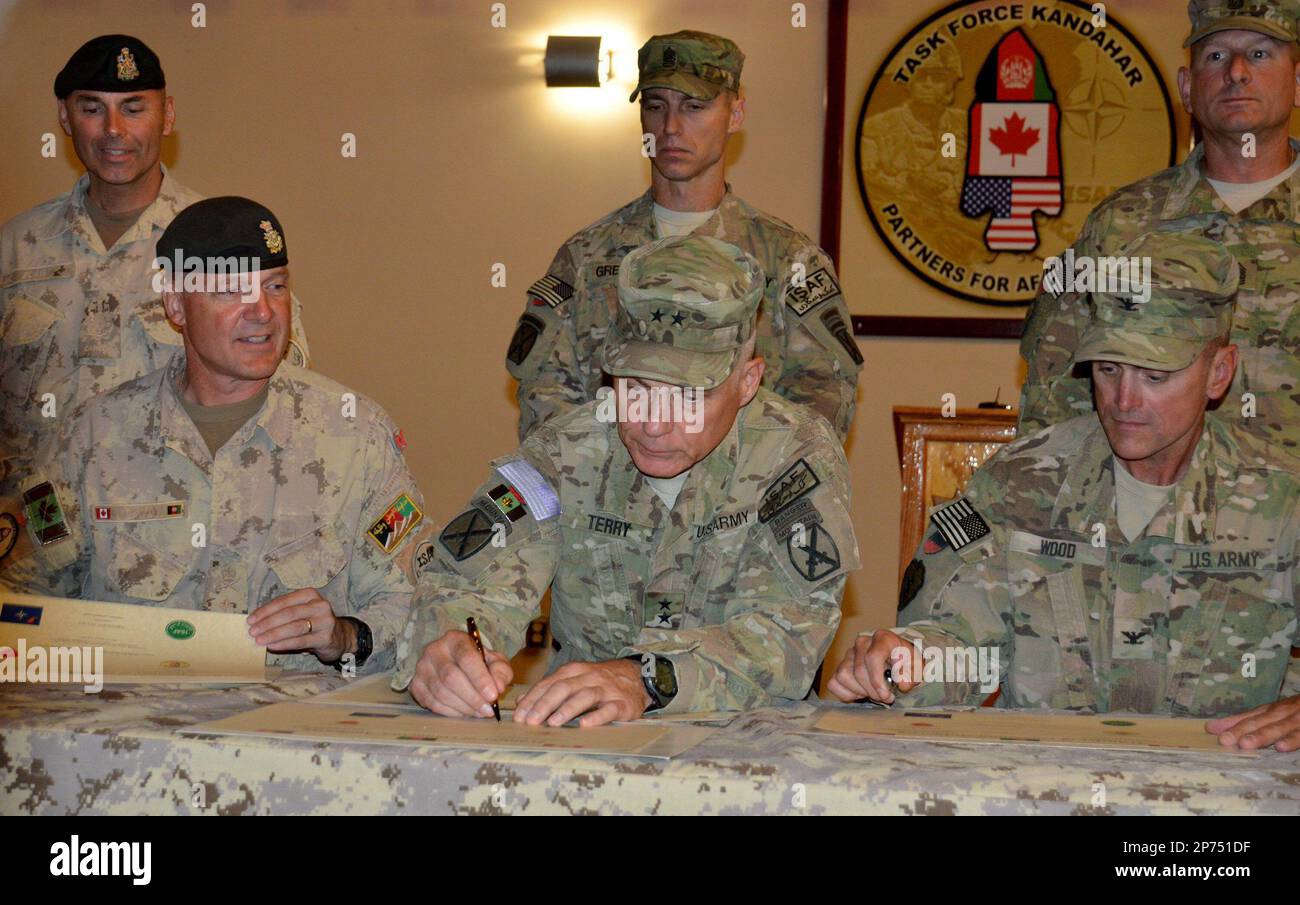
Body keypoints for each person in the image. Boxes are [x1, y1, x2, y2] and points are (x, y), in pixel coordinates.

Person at [832, 233, 1300, 752]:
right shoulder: (1021, 481)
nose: (1124, 400)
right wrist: (903, 661)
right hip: (1050, 787)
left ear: (1218, 373)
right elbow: (961, 643)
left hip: (1214, 802)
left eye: (1154, 375)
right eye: (1107, 369)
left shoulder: (1281, 500)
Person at [399, 235, 859, 726]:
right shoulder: (564, 453)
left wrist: (645, 679)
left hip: (742, 753)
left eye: (687, 396)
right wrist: (447, 648)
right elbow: (465, 584)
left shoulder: (793, 456)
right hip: (582, 745)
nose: (653, 423)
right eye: (636, 387)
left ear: (747, 382)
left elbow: (789, 635)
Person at [0, 197, 420, 674]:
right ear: (176, 305)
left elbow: (415, 607)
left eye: (274, 286)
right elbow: (22, 608)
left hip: (288, 738)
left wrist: (344, 636)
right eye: (230, 291)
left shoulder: (356, 436)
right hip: (132, 737)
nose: (262, 312)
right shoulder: (92, 440)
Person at [507, 30, 862, 444]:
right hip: (608, 496)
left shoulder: (788, 259)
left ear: (735, 114)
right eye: (656, 106)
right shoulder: (586, 255)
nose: (671, 127)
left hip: (742, 501)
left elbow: (822, 398)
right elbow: (545, 396)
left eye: (694, 107)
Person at [0, 34, 310, 496]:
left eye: (133, 107)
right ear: (64, 117)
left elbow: (282, 395)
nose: (113, 131)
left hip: (172, 529)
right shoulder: (14, 250)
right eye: (91, 108)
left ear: (167, 115)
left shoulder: (223, 242)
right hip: (34, 536)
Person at [1018, 0, 1300, 457]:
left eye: (1261, 54)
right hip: (1153, 519)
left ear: (1299, 82)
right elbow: (1056, 393)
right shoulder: (1121, 225)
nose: (1237, 73)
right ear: (1187, 89)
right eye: (1216, 56)